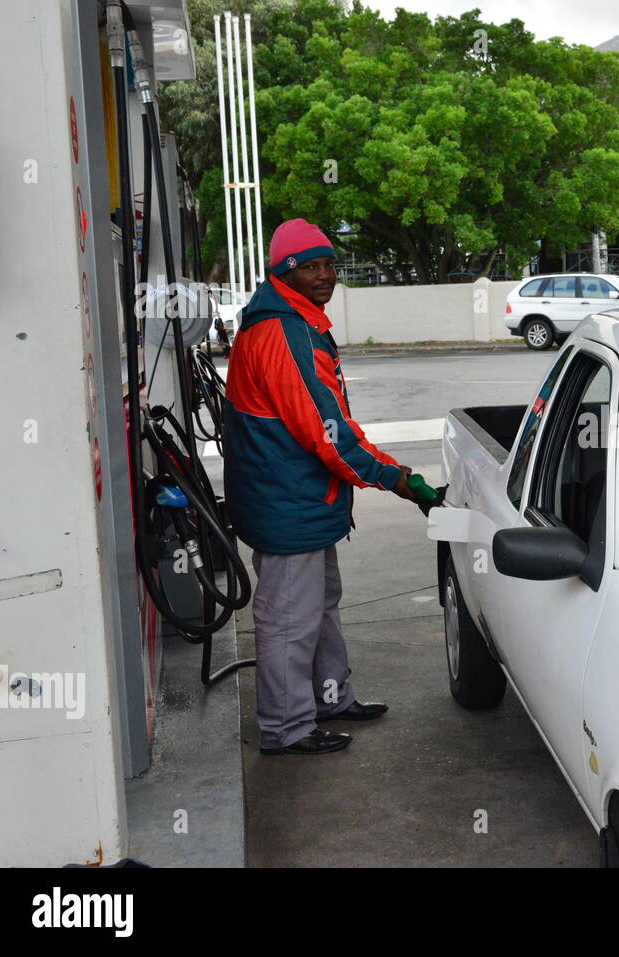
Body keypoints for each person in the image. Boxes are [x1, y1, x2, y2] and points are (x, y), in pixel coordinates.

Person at [224, 218, 423, 756]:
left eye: (329, 264)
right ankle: (286, 727)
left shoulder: (300, 322)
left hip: (303, 498)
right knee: (289, 619)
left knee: (320, 605)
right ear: (284, 273)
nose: (325, 276)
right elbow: (327, 433)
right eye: (310, 267)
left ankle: (330, 697)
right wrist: (394, 477)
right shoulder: (283, 332)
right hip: (286, 502)